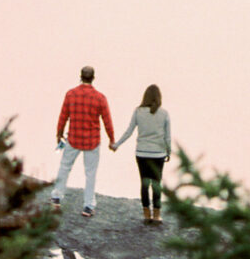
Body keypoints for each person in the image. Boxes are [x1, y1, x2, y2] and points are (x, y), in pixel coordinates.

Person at [53, 65, 115, 217]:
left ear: (80, 77)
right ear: (93, 78)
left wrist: (59, 134)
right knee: (90, 173)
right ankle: (88, 206)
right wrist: (112, 139)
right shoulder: (100, 98)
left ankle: (56, 197)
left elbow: (63, 116)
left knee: (65, 167)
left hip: (73, 138)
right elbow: (107, 121)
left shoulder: (71, 94)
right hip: (92, 141)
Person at [112, 83, 171, 225]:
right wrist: (169, 151)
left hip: (142, 153)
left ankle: (146, 214)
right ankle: (157, 215)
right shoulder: (164, 113)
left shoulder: (138, 111)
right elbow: (167, 137)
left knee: (144, 183)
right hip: (158, 154)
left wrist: (117, 144)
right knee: (156, 183)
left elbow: (129, 131)